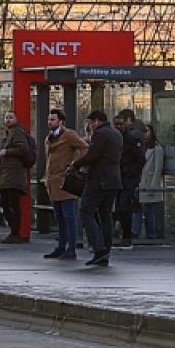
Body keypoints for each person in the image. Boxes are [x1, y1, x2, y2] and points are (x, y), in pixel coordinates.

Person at [72, 110, 123, 267]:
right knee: (105, 214)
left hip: (99, 180)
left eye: (90, 122)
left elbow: (92, 155)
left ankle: (99, 248)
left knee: (86, 211)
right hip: (113, 179)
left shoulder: (100, 134)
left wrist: (76, 164)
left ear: (96, 121)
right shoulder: (116, 134)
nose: (90, 126)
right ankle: (105, 250)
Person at [42, 109, 88, 260]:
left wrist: (75, 165)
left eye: (53, 120)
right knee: (59, 217)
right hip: (52, 182)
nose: (50, 122)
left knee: (69, 217)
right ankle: (61, 246)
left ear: (61, 121)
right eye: (49, 119)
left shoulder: (69, 135)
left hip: (65, 181)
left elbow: (84, 147)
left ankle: (71, 249)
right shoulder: (49, 138)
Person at [0, 111, 37, 244]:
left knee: (12, 204)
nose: (7, 120)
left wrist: (6, 152)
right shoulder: (9, 133)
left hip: (13, 175)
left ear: (16, 119)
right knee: (5, 202)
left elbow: (23, 148)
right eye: (6, 117)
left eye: (10, 117)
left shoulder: (17, 132)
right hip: (7, 174)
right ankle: (14, 231)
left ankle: (15, 232)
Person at [113, 109, 148, 247]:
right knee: (119, 206)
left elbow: (140, 159)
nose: (118, 126)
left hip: (127, 178)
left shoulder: (131, 139)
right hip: (118, 177)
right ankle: (122, 234)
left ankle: (126, 236)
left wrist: (131, 173)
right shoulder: (116, 139)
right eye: (116, 124)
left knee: (123, 206)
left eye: (121, 124)